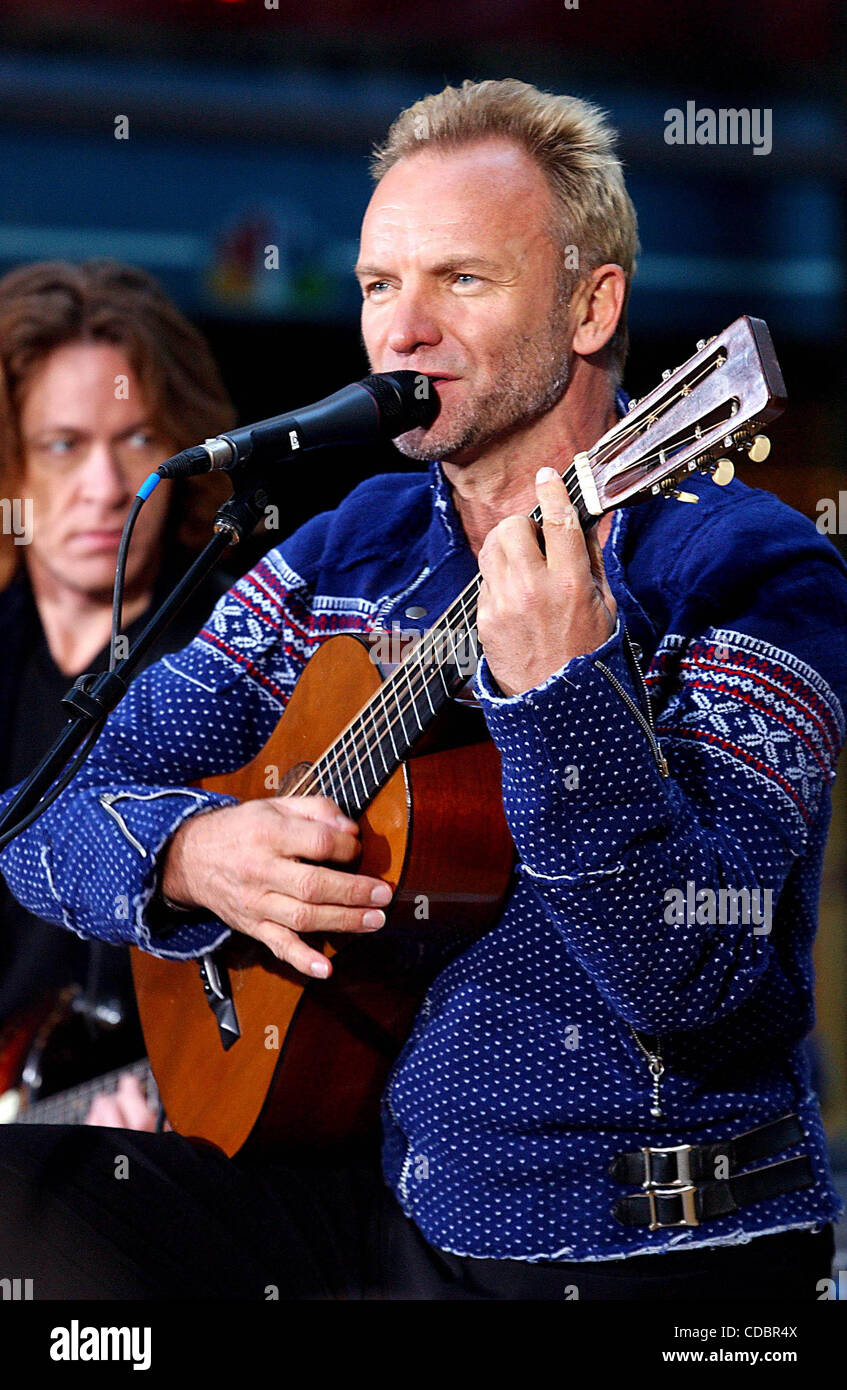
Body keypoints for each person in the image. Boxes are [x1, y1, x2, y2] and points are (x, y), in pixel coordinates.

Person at [0, 79, 845, 1300]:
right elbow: (41, 816)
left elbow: (690, 972)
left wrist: (563, 686)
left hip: (640, 1242)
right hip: (377, 1195)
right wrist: (191, 855)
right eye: (379, 286)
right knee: (26, 1199)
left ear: (591, 304)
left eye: (461, 280)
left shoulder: (743, 567)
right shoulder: (352, 546)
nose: (402, 332)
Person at [0, 260, 235, 1127]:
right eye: (63, 444)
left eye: (136, 440)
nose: (105, 488)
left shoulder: (237, 651)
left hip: (144, 1128)